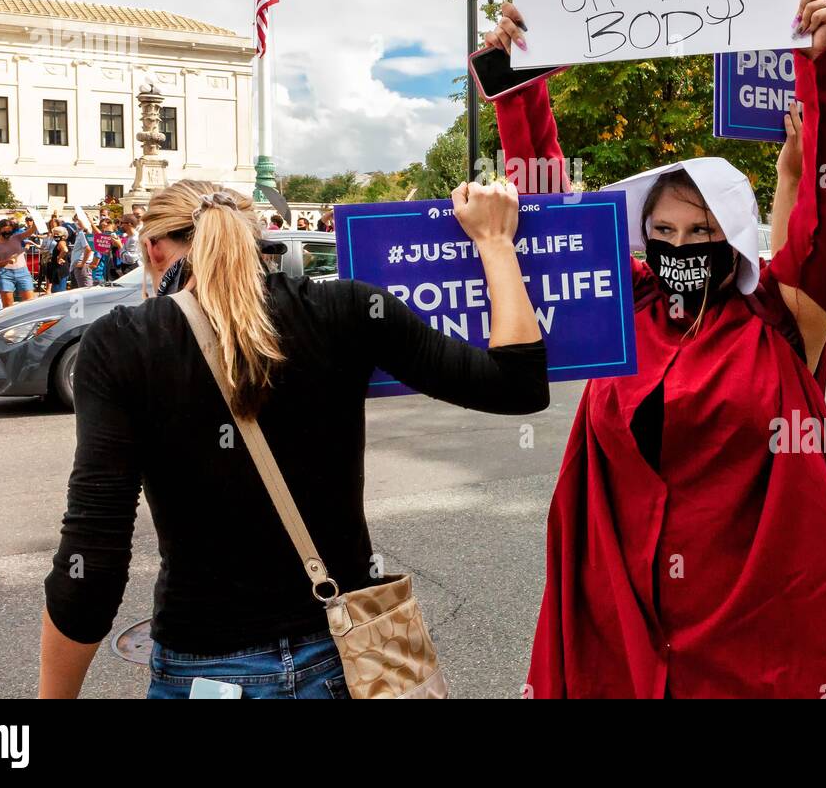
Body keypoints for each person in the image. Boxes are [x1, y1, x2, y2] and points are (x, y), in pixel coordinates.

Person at [487, 0, 826, 699]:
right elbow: (548, 219)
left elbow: (823, 215)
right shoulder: (627, 304)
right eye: (664, 232)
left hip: (756, 637)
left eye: (701, 233)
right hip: (629, 624)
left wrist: (820, 65)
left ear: (732, 241)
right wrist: (519, 82)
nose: (680, 246)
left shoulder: (780, 316)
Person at [39, 177, 549, 699]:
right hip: (348, 659)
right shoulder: (348, 309)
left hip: (205, 665)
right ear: (259, 237)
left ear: (153, 249)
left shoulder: (121, 341)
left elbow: (92, 559)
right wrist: (494, 243)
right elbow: (516, 384)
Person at [0, 215, 39, 306]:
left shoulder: (17, 237)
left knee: (29, 303)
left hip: (23, 272)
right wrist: (7, 261)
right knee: (8, 306)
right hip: (5, 274)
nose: (8, 232)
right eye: (5, 230)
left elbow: (32, 230)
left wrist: (36, 217)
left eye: (10, 230)